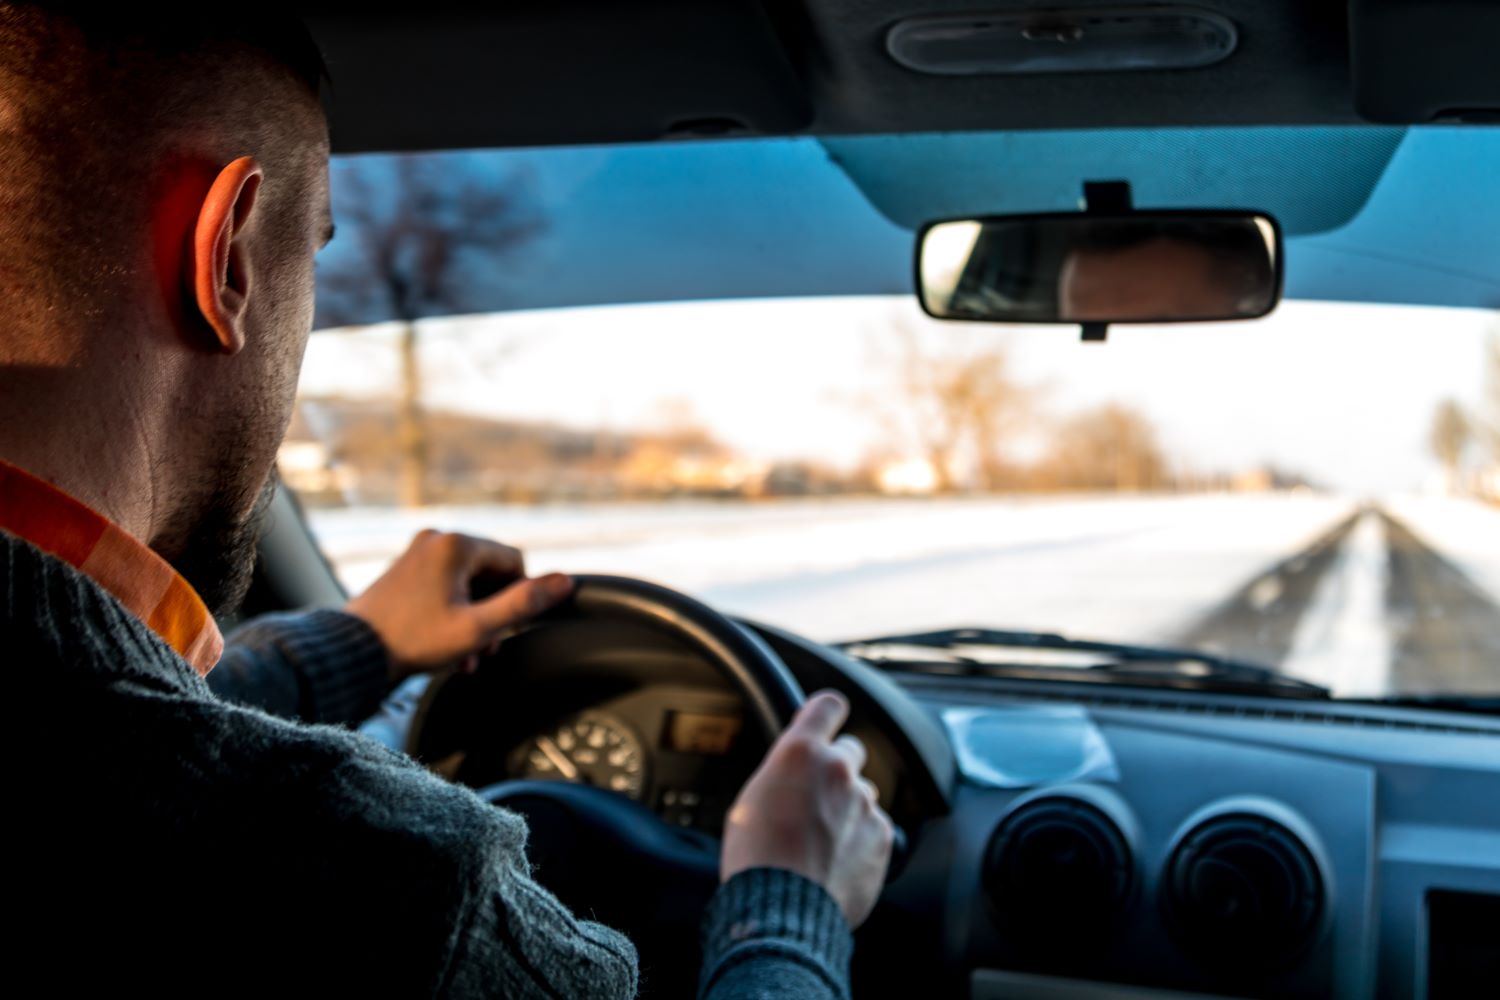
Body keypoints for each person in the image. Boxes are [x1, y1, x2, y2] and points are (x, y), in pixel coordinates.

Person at [0, 6, 893, 997]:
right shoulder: (380, 886)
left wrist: (362, 640)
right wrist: (790, 902)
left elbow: (96, 732)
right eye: (317, 255)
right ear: (231, 257)